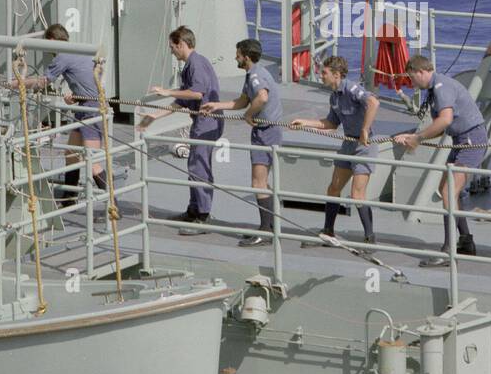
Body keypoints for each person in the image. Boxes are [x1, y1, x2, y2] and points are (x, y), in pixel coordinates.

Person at [394, 54, 488, 268]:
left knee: (448, 191)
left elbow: (444, 119)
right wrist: (413, 137)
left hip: (470, 138)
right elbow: (444, 125)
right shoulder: (436, 87)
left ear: (420, 72)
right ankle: (465, 240)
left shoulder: (441, 87)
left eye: (411, 78)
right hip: (461, 138)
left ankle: (448, 251)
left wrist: (417, 138)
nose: (412, 83)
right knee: (448, 189)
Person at [289, 55, 380, 247]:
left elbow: (373, 103)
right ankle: (328, 231)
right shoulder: (334, 96)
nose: (321, 76)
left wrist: (365, 128)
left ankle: (370, 238)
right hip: (348, 145)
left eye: (324, 73)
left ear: (336, 75)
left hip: (364, 146)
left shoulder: (352, 89)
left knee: (357, 194)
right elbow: (330, 123)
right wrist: (304, 122)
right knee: (333, 188)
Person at [201, 39, 284, 247]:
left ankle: (265, 231)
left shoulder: (255, 76)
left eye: (237, 54)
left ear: (246, 56)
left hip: (266, 132)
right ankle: (270, 227)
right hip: (268, 131)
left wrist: (248, 116)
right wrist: (217, 105)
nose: (235, 57)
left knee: (258, 183)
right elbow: (242, 101)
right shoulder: (256, 73)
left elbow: (262, 98)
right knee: (263, 182)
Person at [20, 23, 113, 206]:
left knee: (92, 161)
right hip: (85, 105)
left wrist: (18, 83)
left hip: (91, 108)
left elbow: (42, 82)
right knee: (71, 153)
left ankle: (113, 203)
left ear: (52, 41)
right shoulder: (79, 51)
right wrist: (76, 99)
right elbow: (88, 81)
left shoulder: (62, 56)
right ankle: (69, 197)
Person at [146, 26, 222, 235]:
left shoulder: (195, 64)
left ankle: (203, 216)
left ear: (181, 44)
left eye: (173, 47)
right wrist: (154, 116)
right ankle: (194, 209)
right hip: (201, 120)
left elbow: (197, 93)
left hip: (207, 121)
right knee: (193, 165)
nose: (172, 51)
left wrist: (165, 91)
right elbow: (181, 101)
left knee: (199, 167)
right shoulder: (193, 64)